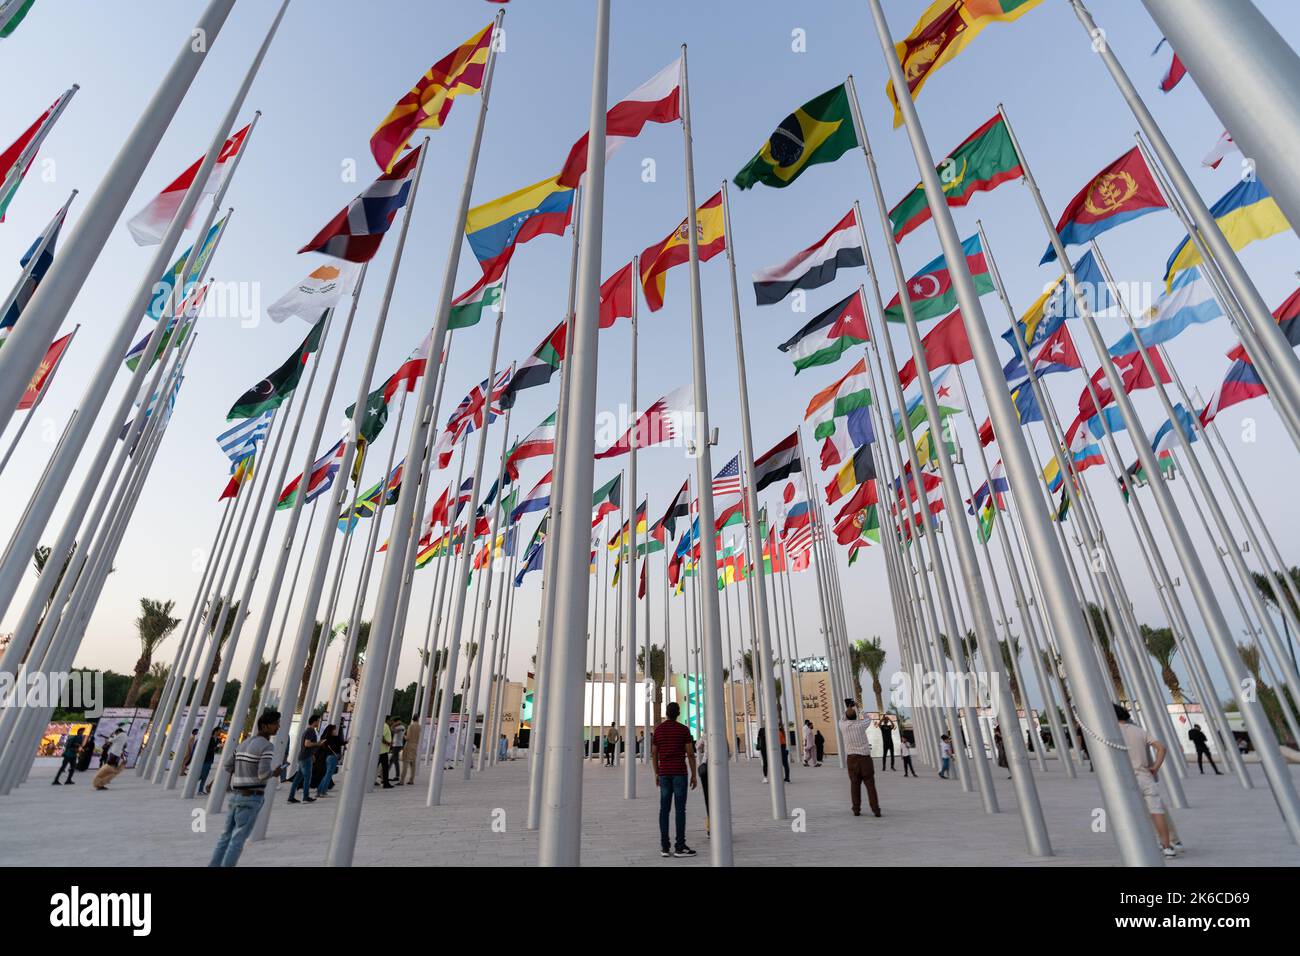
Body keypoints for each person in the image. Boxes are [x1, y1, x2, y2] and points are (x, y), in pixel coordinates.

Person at [209, 710, 286, 867]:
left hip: (236, 796)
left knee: (225, 837)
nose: (278, 726)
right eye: (275, 724)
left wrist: (243, 771)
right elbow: (263, 774)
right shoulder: (267, 746)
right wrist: (275, 772)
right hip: (252, 797)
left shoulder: (244, 743)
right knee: (237, 841)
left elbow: (228, 765)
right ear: (264, 726)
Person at [1114, 703, 1183, 858]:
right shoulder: (1139, 730)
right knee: (1157, 812)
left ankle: (1137, 845)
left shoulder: (1111, 732)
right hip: (1145, 776)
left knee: (1129, 814)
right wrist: (1155, 767)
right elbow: (1161, 748)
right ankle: (1167, 847)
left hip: (1126, 778)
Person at [651, 702, 697, 858]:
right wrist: (694, 774)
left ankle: (664, 847)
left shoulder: (658, 730)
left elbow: (654, 754)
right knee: (680, 810)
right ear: (678, 713)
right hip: (679, 773)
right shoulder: (683, 730)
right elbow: (690, 753)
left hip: (664, 774)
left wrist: (657, 773)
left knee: (664, 810)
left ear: (666, 713)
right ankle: (680, 846)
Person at [837, 703, 881, 817]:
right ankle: (876, 809)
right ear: (856, 716)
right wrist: (858, 707)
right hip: (865, 758)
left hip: (852, 758)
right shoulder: (861, 725)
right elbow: (867, 718)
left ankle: (856, 808)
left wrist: (848, 708)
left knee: (854, 784)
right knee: (870, 784)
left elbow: (842, 718)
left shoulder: (843, 726)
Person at [288, 715, 321, 803]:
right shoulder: (310, 731)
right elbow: (307, 744)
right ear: (314, 721)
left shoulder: (308, 730)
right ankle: (305, 797)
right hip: (306, 757)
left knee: (297, 779)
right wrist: (317, 744)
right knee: (307, 778)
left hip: (304, 756)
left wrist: (312, 755)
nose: (318, 723)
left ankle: (291, 798)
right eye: (318, 721)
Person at [92, 724, 130, 790]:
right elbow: (125, 745)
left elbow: (111, 740)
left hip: (114, 753)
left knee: (108, 768)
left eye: (116, 733)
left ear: (118, 732)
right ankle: (102, 782)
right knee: (113, 770)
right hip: (117, 755)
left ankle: (98, 783)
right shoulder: (125, 736)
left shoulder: (120, 734)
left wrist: (110, 738)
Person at [317, 725, 345, 796]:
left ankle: (320, 790)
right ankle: (323, 792)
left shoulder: (326, 738)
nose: (336, 731)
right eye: (334, 730)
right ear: (331, 730)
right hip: (333, 758)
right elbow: (339, 744)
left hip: (328, 758)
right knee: (328, 775)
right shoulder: (334, 738)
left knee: (327, 775)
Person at [196, 727, 223, 795]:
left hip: (210, 759)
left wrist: (218, 747)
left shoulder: (216, 739)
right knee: (202, 774)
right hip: (206, 758)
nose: (220, 732)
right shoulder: (210, 738)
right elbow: (208, 749)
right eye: (219, 731)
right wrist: (217, 746)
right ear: (216, 731)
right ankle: (192, 784)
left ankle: (200, 789)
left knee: (205, 775)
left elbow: (215, 750)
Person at [400, 719, 420, 785]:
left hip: (409, 745)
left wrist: (404, 736)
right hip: (415, 745)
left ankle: (402, 780)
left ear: (412, 719)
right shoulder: (419, 727)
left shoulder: (410, 726)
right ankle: (411, 780)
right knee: (413, 764)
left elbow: (408, 737)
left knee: (405, 763)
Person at [377, 716, 395, 787]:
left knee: (382, 767)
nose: (391, 722)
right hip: (382, 751)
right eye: (391, 720)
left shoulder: (385, 726)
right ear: (388, 720)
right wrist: (388, 743)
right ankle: (385, 783)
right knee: (385, 767)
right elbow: (381, 736)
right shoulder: (385, 726)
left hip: (382, 750)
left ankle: (384, 782)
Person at [390, 718, 407, 785]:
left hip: (397, 745)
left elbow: (393, 731)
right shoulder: (401, 727)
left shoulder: (400, 727)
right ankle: (383, 773)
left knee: (395, 760)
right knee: (392, 760)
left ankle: (397, 776)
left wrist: (393, 725)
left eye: (395, 722)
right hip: (396, 744)